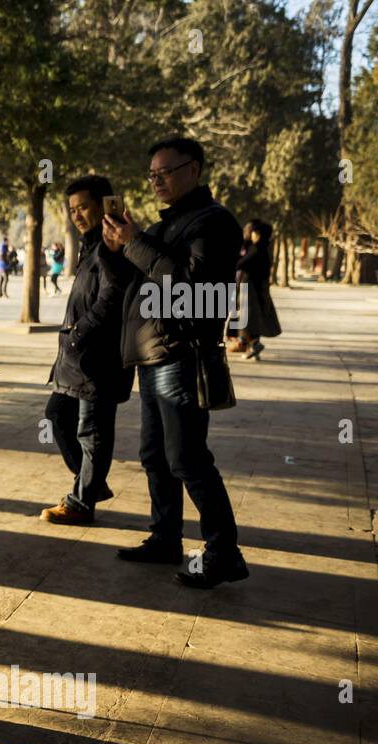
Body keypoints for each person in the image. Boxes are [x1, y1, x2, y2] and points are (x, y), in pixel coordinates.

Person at [100, 135, 248, 588]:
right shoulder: (168, 225)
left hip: (182, 355)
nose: (156, 180)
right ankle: (165, 538)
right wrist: (116, 245)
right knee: (155, 456)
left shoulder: (214, 222)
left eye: (165, 171)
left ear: (194, 170)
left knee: (187, 457)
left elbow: (190, 287)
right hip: (153, 355)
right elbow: (137, 278)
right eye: (152, 174)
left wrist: (137, 242)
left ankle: (224, 553)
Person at [41, 175, 131, 526]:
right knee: (57, 416)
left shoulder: (114, 245)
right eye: (72, 209)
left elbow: (112, 296)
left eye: (84, 207)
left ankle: (82, 502)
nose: (77, 215)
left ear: (103, 204)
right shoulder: (90, 244)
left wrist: (79, 333)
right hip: (76, 356)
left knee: (92, 432)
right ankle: (92, 484)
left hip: (100, 356)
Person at [232, 219, 281, 361]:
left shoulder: (256, 249)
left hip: (250, 288)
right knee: (254, 318)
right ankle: (253, 347)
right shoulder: (264, 248)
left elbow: (240, 264)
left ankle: (254, 345)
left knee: (247, 318)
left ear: (257, 233)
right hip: (260, 287)